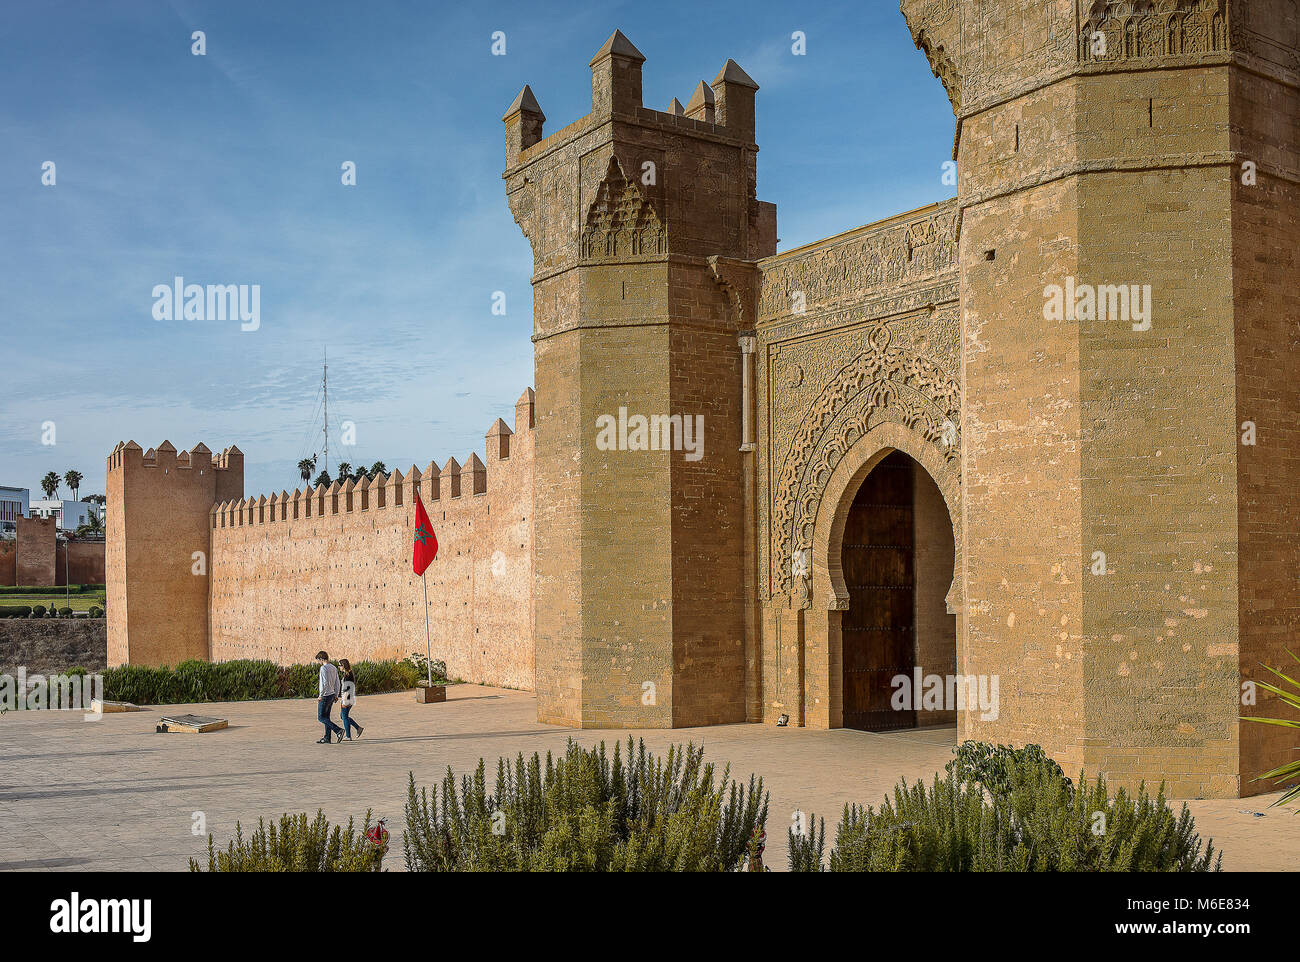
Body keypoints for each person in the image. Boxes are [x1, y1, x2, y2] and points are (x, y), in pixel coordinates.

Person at [315, 651, 344, 744]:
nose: (318, 662)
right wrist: (336, 694)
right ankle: (327, 737)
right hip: (331, 695)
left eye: (318, 660)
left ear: (321, 659)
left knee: (321, 717)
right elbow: (337, 682)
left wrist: (320, 695)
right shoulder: (334, 667)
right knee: (326, 717)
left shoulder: (323, 668)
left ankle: (338, 730)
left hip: (325, 695)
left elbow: (324, 683)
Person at [338, 658, 364, 740]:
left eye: (340, 665)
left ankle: (348, 736)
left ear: (343, 666)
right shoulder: (348, 674)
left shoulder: (348, 675)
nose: (339, 667)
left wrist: (345, 701)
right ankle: (358, 728)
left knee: (344, 717)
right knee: (343, 716)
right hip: (349, 698)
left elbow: (347, 689)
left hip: (347, 698)